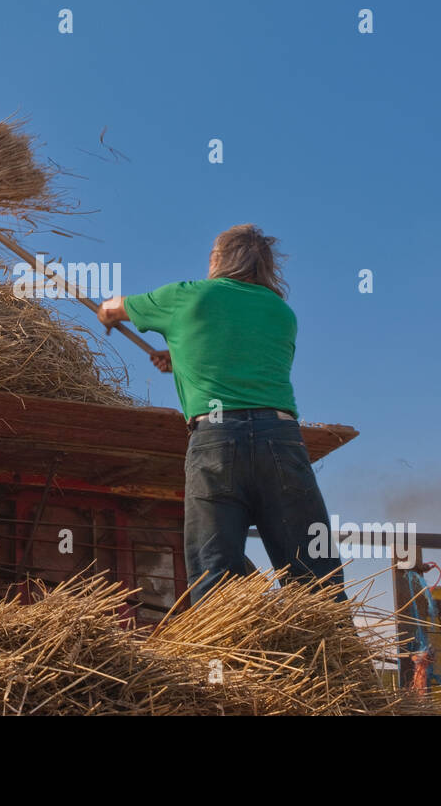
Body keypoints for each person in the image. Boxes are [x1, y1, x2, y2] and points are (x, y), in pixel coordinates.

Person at [97, 224, 346, 605]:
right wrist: (180, 359)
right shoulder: (281, 313)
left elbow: (114, 306)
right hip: (281, 440)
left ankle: (222, 662)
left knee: (215, 575)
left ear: (219, 259)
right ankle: (332, 658)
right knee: (314, 571)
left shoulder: (186, 297)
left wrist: (108, 314)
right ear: (265, 266)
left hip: (216, 440)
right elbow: (239, 360)